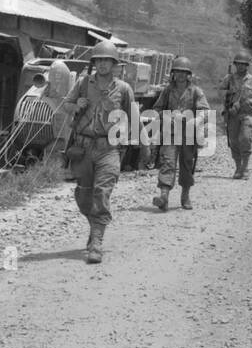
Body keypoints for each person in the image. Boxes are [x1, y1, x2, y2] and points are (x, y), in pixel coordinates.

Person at [66, 41, 134, 263]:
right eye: (99, 60)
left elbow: (132, 117)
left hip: (109, 149)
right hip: (83, 148)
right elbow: (66, 104)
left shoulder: (123, 89)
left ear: (114, 63)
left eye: (107, 60)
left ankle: (96, 242)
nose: (103, 64)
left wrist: (141, 145)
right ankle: (94, 225)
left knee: (102, 193)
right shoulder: (83, 83)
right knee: (84, 197)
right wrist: (77, 105)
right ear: (93, 63)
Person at [150, 56, 209, 211]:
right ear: (173, 73)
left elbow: (204, 111)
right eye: (178, 72)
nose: (181, 75)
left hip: (189, 134)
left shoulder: (196, 91)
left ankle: (185, 194)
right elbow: (157, 110)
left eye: (184, 72)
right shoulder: (167, 91)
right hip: (171, 132)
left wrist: (194, 120)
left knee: (187, 165)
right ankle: (164, 197)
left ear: (188, 74)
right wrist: (167, 116)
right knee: (167, 162)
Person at [217, 49, 252, 179]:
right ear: (235, 65)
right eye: (238, 64)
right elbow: (220, 93)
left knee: (245, 138)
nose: (240, 66)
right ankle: (238, 167)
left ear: (247, 65)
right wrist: (228, 93)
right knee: (234, 142)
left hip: (248, 114)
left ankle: (245, 167)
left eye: (243, 64)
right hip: (233, 115)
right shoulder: (229, 79)